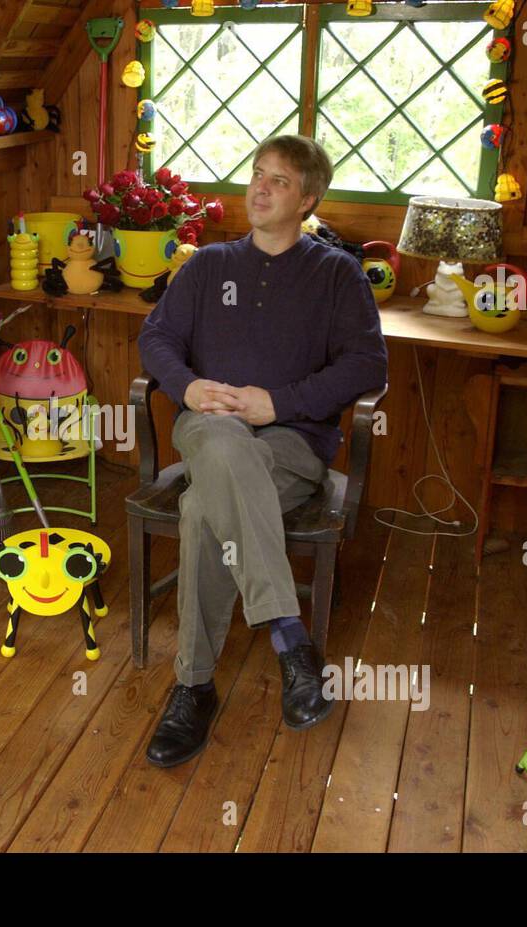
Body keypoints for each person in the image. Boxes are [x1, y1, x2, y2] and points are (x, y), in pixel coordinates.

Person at [136, 135, 389, 767]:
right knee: (220, 439)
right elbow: (157, 336)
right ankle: (291, 641)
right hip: (208, 427)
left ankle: (193, 686)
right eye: (256, 174)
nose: (259, 188)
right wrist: (190, 386)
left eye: (278, 181)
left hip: (291, 443)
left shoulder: (337, 275)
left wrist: (280, 402)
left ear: (307, 199)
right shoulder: (207, 266)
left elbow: (367, 364)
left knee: (201, 511)